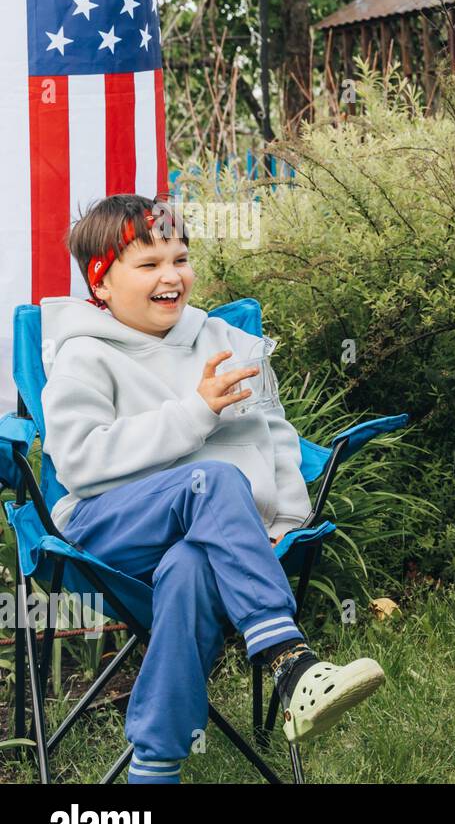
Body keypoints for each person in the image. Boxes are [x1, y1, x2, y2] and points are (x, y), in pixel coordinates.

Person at [40, 194, 385, 783]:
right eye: (148, 266)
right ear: (101, 285)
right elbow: (77, 461)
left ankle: (153, 767)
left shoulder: (225, 341)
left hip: (217, 539)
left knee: (191, 569)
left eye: (180, 258)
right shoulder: (84, 355)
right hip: (105, 528)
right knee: (211, 479)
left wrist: (281, 525)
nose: (171, 276)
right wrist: (193, 414)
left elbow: (276, 441)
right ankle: (291, 661)